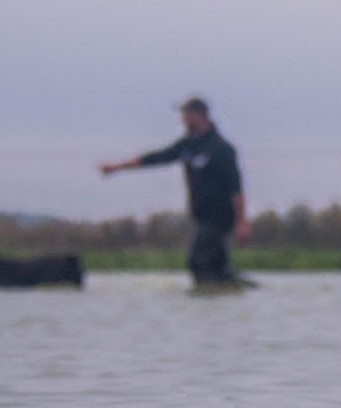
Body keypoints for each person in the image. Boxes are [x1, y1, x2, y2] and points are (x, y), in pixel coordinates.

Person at [99, 97, 255, 289]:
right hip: (201, 215)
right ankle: (238, 292)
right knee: (217, 266)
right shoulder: (188, 145)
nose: (182, 120)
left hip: (220, 217)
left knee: (198, 260)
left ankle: (208, 300)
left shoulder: (221, 148)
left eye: (185, 115)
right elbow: (157, 157)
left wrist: (242, 222)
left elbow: (236, 187)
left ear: (199, 115)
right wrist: (117, 167)